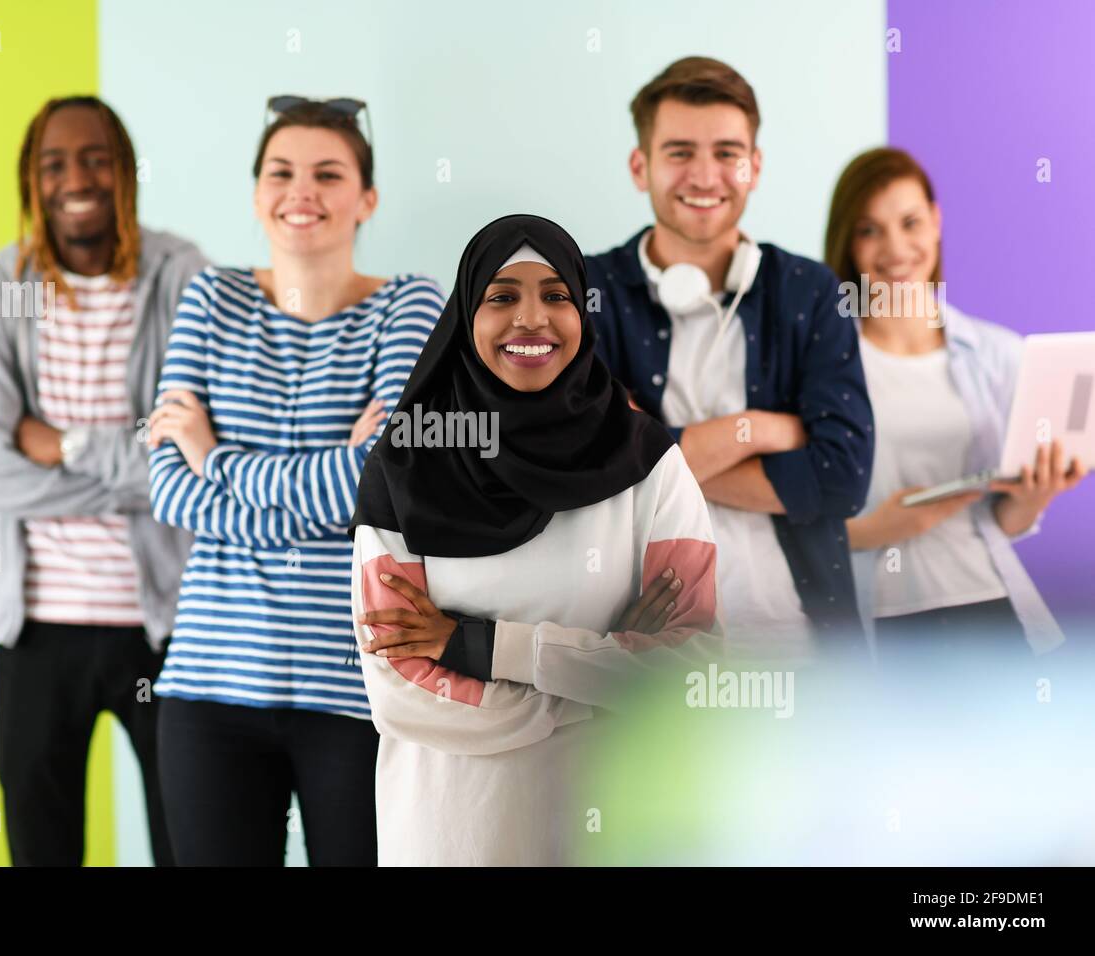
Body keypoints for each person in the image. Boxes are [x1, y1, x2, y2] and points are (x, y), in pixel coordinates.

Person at [349, 214, 720, 866]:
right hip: (449, 833)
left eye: (555, 295)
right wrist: (602, 686)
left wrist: (483, 647)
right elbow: (399, 692)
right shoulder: (406, 466)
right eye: (501, 296)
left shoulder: (649, 466)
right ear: (467, 313)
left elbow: (692, 671)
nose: (531, 318)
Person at [145, 96, 444, 866]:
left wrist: (218, 461)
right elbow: (168, 492)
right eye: (281, 171)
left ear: (366, 198)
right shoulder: (211, 298)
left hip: (357, 692)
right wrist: (337, 488)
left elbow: (387, 489)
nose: (300, 190)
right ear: (256, 194)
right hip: (208, 688)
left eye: (328, 172)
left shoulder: (410, 304)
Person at [0, 95, 208, 865]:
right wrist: (145, 465)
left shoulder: (185, 278)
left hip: (168, 625)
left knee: (190, 843)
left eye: (94, 156)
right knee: (42, 851)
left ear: (124, 169)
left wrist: (63, 445)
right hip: (34, 630)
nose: (75, 178)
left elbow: (195, 459)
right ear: (31, 180)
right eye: (53, 163)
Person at [584, 56, 874, 661]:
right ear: (641, 167)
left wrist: (653, 454)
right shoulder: (587, 291)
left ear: (755, 166)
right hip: (645, 655)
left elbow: (843, 478)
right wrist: (764, 430)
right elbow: (595, 472)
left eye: (727, 153)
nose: (705, 174)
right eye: (680, 151)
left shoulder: (811, 291)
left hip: (805, 645)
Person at [825, 147, 1087, 656]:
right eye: (869, 229)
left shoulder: (999, 354)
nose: (896, 248)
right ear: (848, 243)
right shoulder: (823, 365)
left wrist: (1037, 494)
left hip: (990, 609)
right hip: (878, 625)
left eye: (910, 222)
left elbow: (1000, 521)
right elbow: (790, 527)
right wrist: (874, 530)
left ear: (936, 221)